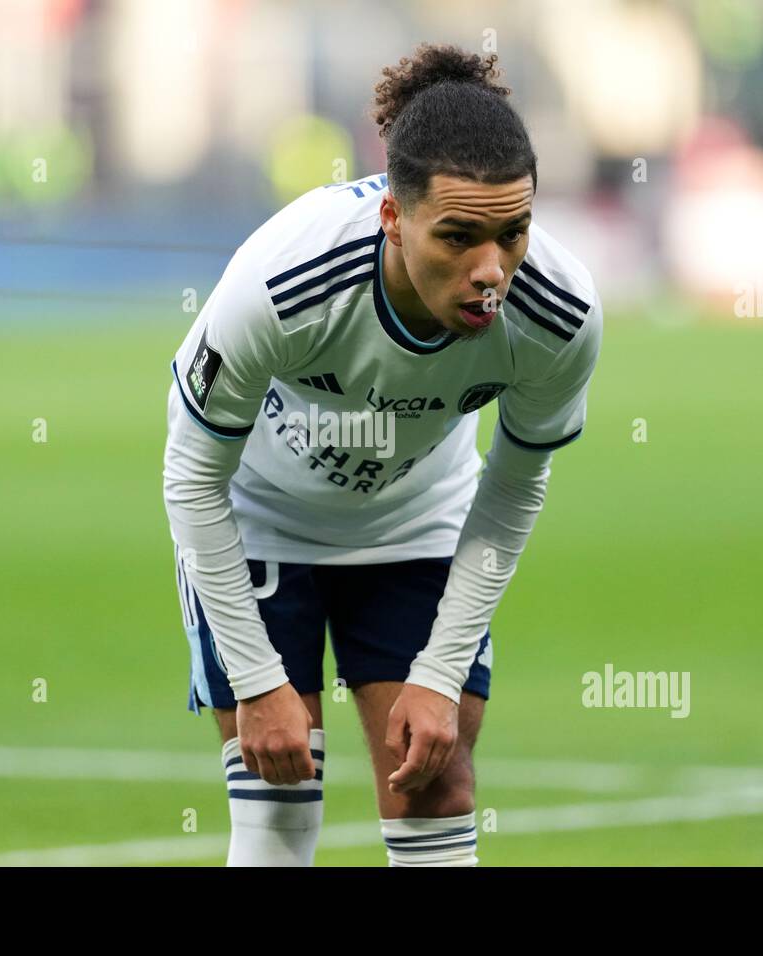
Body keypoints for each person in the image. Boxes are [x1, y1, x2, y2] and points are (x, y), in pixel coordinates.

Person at [163, 42, 603, 866]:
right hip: (261, 519)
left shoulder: (559, 314)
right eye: (459, 237)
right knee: (278, 804)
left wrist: (440, 671)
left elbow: (512, 489)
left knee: (435, 786)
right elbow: (191, 479)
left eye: (513, 233)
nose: (490, 273)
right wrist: (259, 682)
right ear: (392, 221)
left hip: (417, 521)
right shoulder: (280, 284)